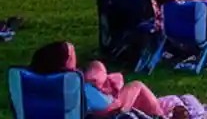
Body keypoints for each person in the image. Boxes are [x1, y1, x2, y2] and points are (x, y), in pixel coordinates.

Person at [28, 41, 164, 118]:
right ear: (64, 64)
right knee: (136, 85)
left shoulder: (39, 89)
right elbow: (106, 111)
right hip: (113, 114)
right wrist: (119, 101)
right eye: (72, 57)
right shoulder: (76, 87)